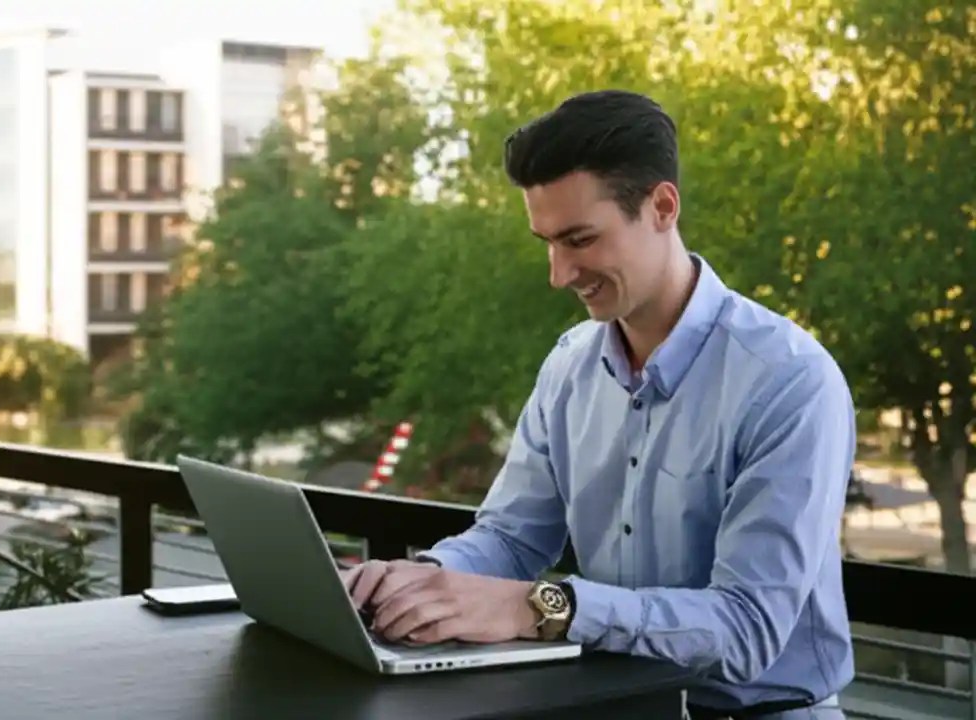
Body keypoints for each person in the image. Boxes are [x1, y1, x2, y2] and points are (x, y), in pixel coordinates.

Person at [343, 90, 855, 720]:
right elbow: (509, 537)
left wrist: (540, 607)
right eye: (548, 242)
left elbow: (747, 630)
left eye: (580, 239)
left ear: (662, 207)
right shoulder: (569, 367)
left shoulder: (790, 382)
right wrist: (417, 584)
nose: (559, 273)